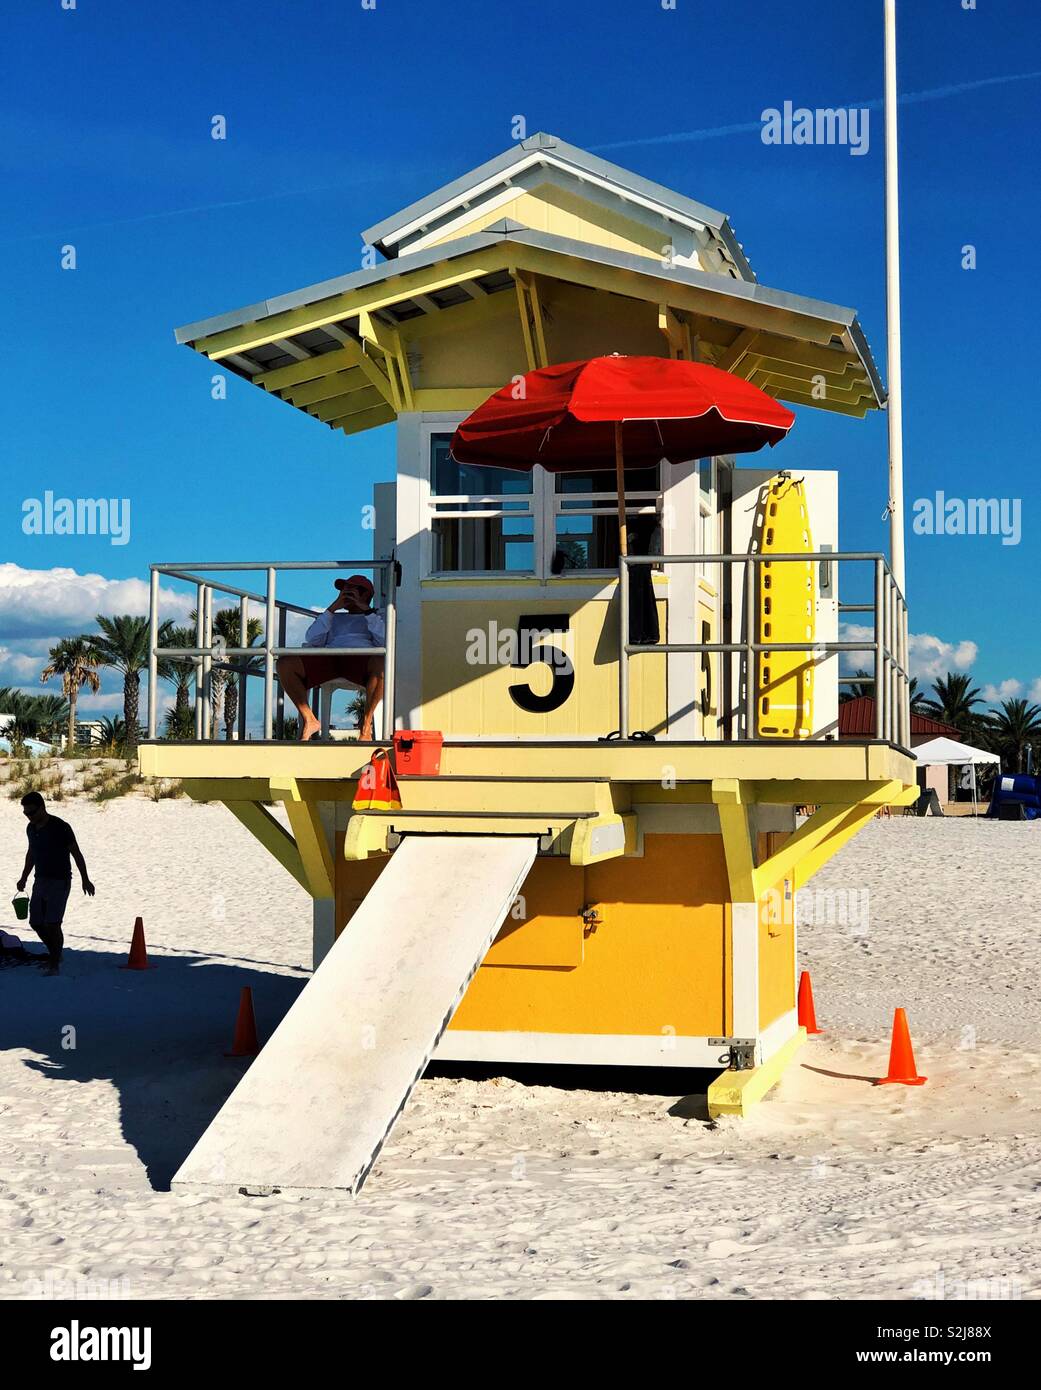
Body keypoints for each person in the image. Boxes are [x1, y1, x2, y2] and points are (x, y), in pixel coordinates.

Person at [276, 575, 385, 742]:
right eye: (343, 591)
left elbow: (384, 640)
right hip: (330, 658)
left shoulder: (376, 617)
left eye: (349, 590)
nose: (344, 594)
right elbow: (312, 639)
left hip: (360, 660)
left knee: (382, 665)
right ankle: (309, 718)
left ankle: (366, 725)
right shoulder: (332, 617)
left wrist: (366, 610)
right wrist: (332, 608)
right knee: (284, 663)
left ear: (364, 594)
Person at [16, 791, 95, 975]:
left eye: (32, 812)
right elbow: (31, 854)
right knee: (36, 922)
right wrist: (24, 877)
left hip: (60, 881)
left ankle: (54, 964)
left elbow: (76, 853)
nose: (29, 816)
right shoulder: (31, 829)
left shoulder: (61, 827)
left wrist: (85, 879)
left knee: (53, 924)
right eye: (26, 813)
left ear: (42, 808)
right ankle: (55, 954)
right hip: (40, 880)